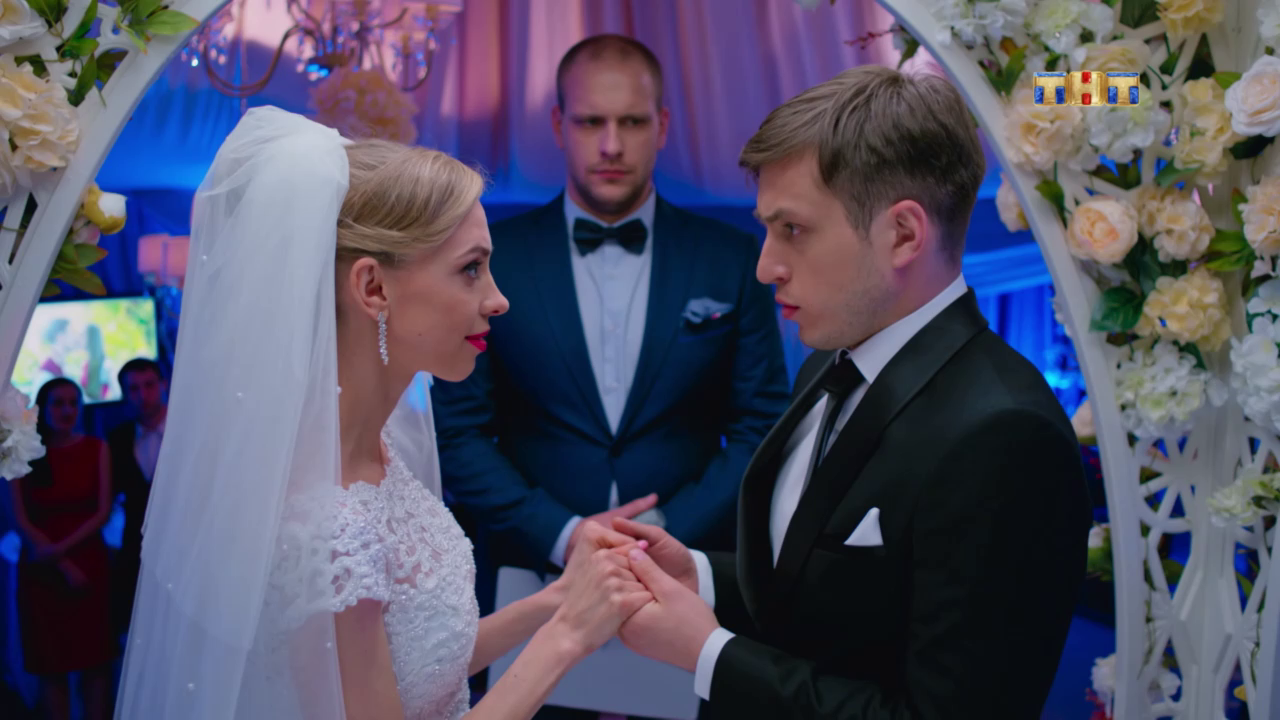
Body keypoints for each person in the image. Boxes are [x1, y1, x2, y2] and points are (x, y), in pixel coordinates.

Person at [114, 107, 654, 720]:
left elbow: (419, 662)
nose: (498, 299)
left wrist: (558, 599)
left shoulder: (377, 453)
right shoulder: (322, 522)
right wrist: (567, 637)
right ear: (373, 289)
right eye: (471, 269)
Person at [607, 66, 1092, 718]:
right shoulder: (827, 365)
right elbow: (821, 593)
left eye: (793, 230)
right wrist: (698, 575)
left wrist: (708, 655)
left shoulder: (1005, 434)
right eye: (766, 228)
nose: (765, 266)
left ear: (903, 234)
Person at [431, 33, 789, 582]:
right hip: (529, 571)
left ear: (662, 126)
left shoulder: (733, 259)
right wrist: (563, 535)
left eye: (633, 122)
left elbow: (761, 426)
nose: (611, 146)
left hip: (691, 568)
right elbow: (458, 432)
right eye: (590, 122)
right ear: (559, 126)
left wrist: (666, 531)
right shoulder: (492, 258)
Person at [10, 378, 114, 720]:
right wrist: (60, 561)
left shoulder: (97, 448)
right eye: (58, 403)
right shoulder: (21, 451)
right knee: (50, 664)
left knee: (95, 661)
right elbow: (18, 517)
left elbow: (102, 512)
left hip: (88, 562)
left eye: (73, 403)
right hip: (41, 569)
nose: (67, 411)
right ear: (42, 408)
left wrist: (63, 552)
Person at [106, 357, 168, 643]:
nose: (143, 395)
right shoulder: (117, 438)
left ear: (163, 385)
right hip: (136, 546)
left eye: (149, 385)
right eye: (133, 388)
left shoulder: (187, 431)